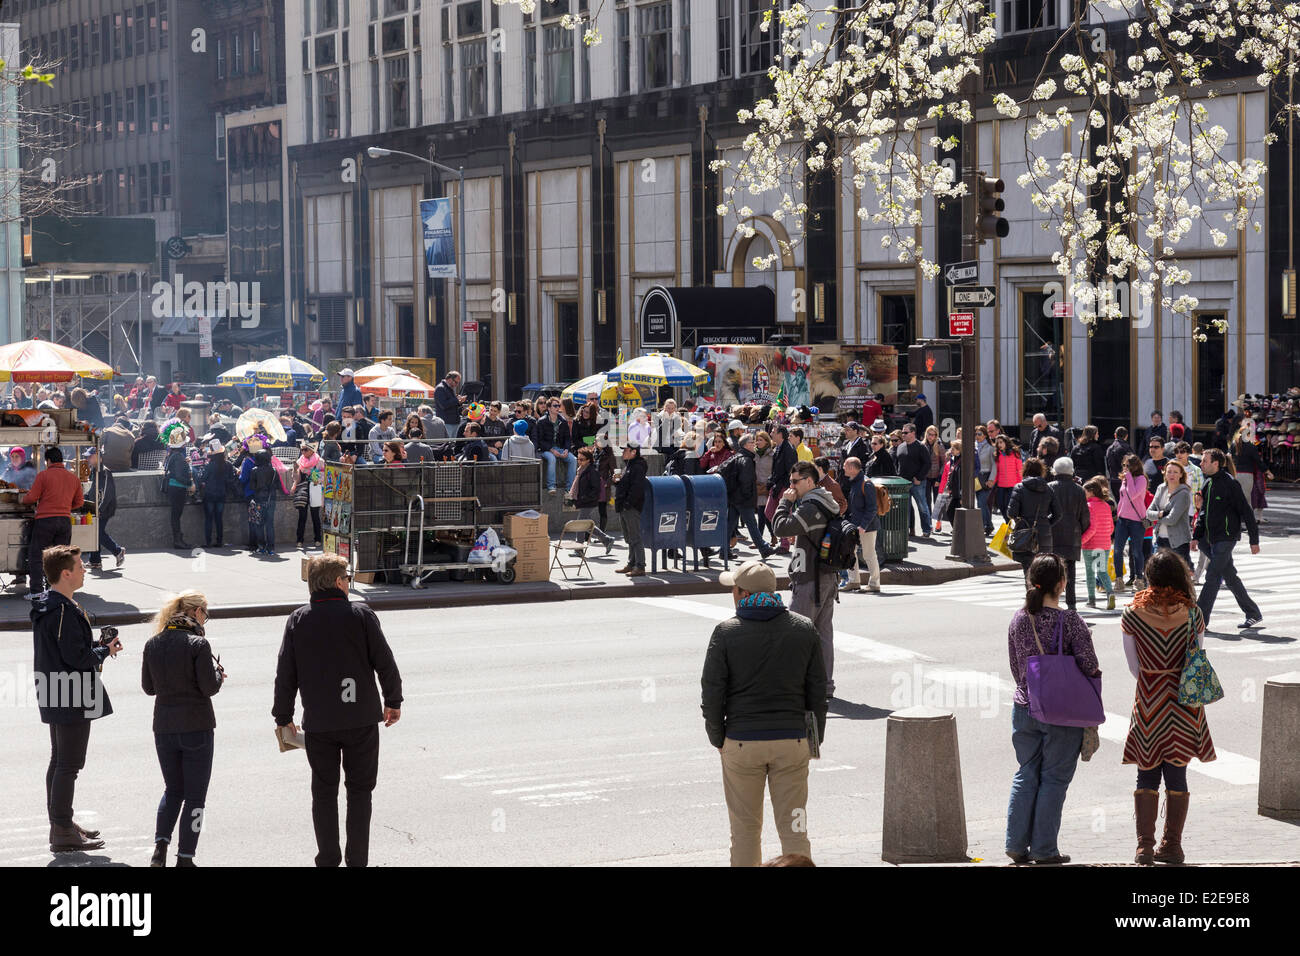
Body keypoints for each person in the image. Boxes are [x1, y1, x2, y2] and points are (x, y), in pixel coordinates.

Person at [274, 554, 403, 867]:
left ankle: (328, 859)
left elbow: (285, 673)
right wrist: (393, 701)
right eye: (346, 578)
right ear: (337, 582)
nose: (348, 582)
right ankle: (357, 860)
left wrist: (283, 717)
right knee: (360, 792)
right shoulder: (361, 615)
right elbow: (384, 661)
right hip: (361, 720)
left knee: (323, 792)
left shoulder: (298, 619)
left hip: (319, 723)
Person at [701, 559, 828, 867]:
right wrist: (812, 740)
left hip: (742, 742)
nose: (732, 592)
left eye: (734, 588)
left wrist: (719, 738)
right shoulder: (803, 629)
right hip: (792, 741)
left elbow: (712, 694)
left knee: (744, 832)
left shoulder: (726, 632)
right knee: (795, 828)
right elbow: (818, 693)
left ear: (743, 594)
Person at [1004, 553, 1100, 865]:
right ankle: (1044, 849)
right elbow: (1090, 665)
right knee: (1054, 779)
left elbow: (1016, 666)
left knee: (1026, 773)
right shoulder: (1070, 621)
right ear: (1062, 584)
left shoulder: (1019, 619)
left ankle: (1016, 844)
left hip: (1025, 704)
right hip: (1062, 711)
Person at [1120, 549, 1214, 865]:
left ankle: (1144, 847)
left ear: (1151, 577)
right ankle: (1172, 846)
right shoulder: (1193, 614)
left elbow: (1133, 668)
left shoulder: (1132, 614)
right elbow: (1197, 658)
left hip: (1149, 701)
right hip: (1184, 703)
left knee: (1146, 774)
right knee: (1177, 774)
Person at [33, 544, 123, 853]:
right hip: (70, 691)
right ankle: (61, 829)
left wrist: (96, 647)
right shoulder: (61, 610)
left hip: (55, 687)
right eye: (80, 566)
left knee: (59, 760)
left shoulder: (50, 604)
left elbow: (65, 651)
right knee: (69, 764)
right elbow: (75, 656)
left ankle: (62, 824)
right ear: (66, 574)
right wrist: (104, 650)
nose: (85, 569)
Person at [141, 589, 223, 867]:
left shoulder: (153, 643)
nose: (205, 619)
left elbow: (148, 687)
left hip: (163, 728)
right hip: (197, 727)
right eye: (206, 614)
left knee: (173, 790)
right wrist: (218, 676)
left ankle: (159, 848)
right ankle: (185, 858)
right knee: (195, 798)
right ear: (197, 612)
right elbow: (208, 688)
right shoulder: (198, 644)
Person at [772, 461, 840, 698]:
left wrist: (785, 503)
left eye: (794, 482)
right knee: (823, 634)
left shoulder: (811, 506)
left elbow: (780, 527)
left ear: (809, 482)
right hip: (827, 576)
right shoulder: (826, 501)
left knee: (794, 634)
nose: (791, 486)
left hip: (810, 578)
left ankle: (794, 686)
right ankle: (824, 685)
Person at [1192, 448, 1261, 629]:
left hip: (1226, 537)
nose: (1201, 463)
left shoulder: (1230, 484)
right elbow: (1203, 513)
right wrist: (1196, 536)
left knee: (1212, 576)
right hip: (1209, 539)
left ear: (1216, 463)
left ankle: (1199, 622)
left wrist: (1254, 540)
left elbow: (1246, 511)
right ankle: (1253, 613)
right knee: (1229, 576)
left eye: (1205, 461)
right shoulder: (1207, 483)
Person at [23, 448, 84, 595]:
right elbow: (79, 502)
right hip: (64, 521)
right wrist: (66, 507)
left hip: (45, 521)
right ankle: (57, 591)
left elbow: (31, 498)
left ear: (48, 461)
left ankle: (37, 591)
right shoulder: (73, 478)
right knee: (61, 558)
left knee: (37, 556)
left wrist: (24, 499)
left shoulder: (43, 476)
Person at [1045, 457, 1089, 610]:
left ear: (1054, 470)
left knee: (1051, 570)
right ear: (1071, 471)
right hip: (1072, 534)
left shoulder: (1049, 487)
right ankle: (1072, 605)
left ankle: (1051, 603)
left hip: (1052, 535)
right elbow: (1085, 516)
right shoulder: (1079, 490)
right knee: (1070, 572)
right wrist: (1081, 531)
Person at [721, 433, 772, 560]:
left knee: (729, 525)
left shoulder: (737, 457)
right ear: (744, 445)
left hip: (734, 498)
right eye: (751, 442)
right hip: (743, 499)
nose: (754, 444)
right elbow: (746, 481)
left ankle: (724, 551)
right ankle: (764, 548)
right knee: (751, 525)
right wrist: (747, 496)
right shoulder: (747, 460)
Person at [1006, 457, 1058, 574]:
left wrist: (1020, 520)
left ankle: (1031, 591)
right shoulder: (1048, 489)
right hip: (1044, 533)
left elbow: (1011, 513)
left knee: (1028, 569)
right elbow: (1058, 514)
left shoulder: (1019, 488)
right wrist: (1046, 523)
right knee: (1044, 569)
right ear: (1041, 471)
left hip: (1025, 533)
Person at [841, 456, 881, 593]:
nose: (843, 468)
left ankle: (874, 583)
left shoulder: (866, 483)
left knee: (869, 554)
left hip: (866, 527)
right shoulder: (856, 482)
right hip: (856, 525)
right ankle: (854, 581)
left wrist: (863, 526)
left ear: (852, 468)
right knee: (850, 552)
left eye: (845, 466)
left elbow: (872, 508)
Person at [83, 447, 126, 571]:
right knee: (95, 533)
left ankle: (117, 551)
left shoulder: (105, 472)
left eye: (90, 456)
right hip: (95, 507)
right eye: (87, 457)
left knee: (98, 532)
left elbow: (108, 493)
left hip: (104, 508)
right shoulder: (93, 471)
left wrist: (100, 509)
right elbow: (91, 489)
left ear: (99, 457)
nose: (88, 459)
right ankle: (95, 561)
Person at [1147, 460, 1193, 568]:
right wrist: (1161, 514)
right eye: (1169, 471)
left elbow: (1172, 519)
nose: (1172, 475)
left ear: (1181, 474)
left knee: (1177, 577)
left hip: (1178, 542)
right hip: (1160, 538)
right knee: (1158, 573)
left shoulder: (1184, 493)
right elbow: (1148, 513)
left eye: (1175, 472)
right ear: (1164, 473)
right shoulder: (1160, 488)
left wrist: (1157, 517)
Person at [1081, 477, 1116, 610]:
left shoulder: (1089, 506)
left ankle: (1091, 600)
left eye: (1085, 491)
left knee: (1090, 572)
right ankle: (1110, 593)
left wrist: (1081, 540)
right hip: (1104, 544)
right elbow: (1111, 527)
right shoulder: (1106, 505)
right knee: (1102, 571)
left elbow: (1092, 527)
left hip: (1090, 544)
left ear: (1091, 492)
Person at [613, 442, 648, 576]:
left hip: (631, 507)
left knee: (635, 537)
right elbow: (627, 486)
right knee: (629, 537)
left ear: (634, 452)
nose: (623, 453)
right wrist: (618, 482)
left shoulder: (637, 466)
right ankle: (631, 563)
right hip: (624, 506)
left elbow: (636, 489)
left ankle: (640, 566)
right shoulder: (630, 465)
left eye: (625, 450)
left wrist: (628, 504)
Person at [571, 447, 615, 553]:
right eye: (578, 459)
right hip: (584, 501)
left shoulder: (592, 472)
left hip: (588, 502)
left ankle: (579, 549)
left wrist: (584, 498)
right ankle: (607, 539)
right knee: (587, 525)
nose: (579, 461)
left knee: (580, 524)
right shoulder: (581, 470)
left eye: (582, 459)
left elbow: (596, 490)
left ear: (588, 460)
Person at [1116, 453, 1150, 590]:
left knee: (1136, 551)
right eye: (1124, 465)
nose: (1125, 468)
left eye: (1128, 465)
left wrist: (1128, 477)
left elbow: (1132, 493)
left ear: (1135, 466)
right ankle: (1119, 579)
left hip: (1136, 521)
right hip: (1123, 520)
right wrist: (1118, 514)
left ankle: (1139, 579)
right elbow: (1122, 498)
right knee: (1118, 550)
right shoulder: (1125, 479)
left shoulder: (1141, 479)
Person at [893, 423, 932, 537]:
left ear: (913, 433)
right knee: (905, 509)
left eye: (905, 432)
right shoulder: (900, 446)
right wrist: (898, 478)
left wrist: (919, 478)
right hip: (903, 483)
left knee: (922, 506)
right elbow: (897, 464)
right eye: (902, 432)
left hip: (917, 483)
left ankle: (926, 529)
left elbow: (927, 463)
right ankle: (905, 530)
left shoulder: (920, 446)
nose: (903, 434)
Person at [161, 428, 194, 551]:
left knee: (175, 515)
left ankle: (178, 540)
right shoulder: (178, 456)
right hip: (178, 489)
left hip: (172, 488)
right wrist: (190, 483)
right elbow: (179, 476)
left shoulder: (173, 455)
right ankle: (178, 541)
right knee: (176, 515)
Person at [535, 398, 576, 494]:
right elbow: (540, 441)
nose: (558, 408)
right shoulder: (541, 421)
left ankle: (569, 488)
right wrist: (551, 450)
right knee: (552, 458)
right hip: (546, 449)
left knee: (573, 460)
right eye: (555, 406)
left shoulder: (563, 421)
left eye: (558, 406)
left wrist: (566, 449)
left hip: (560, 448)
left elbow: (567, 438)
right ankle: (551, 486)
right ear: (549, 408)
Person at [248, 442, 280, 556]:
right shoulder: (274, 470)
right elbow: (278, 485)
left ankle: (261, 547)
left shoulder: (254, 470)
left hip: (259, 500)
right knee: (269, 524)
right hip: (271, 500)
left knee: (259, 525)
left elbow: (252, 487)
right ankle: (271, 548)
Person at [1231, 427, 1267, 524]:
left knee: (1235, 497)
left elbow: (1230, 459)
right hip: (1247, 475)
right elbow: (1258, 462)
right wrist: (1267, 471)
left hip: (1235, 474)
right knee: (1247, 499)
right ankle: (1249, 521)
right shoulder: (1251, 447)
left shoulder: (1234, 445)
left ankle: (1236, 520)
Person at [293, 441, 324, 549]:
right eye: (302, 449)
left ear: (312, 450)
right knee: (302, 516)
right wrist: (295, 472)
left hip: (315, 488)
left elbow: (322, 476)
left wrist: (315, 477)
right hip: (303, 490)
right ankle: (299, 540)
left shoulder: (319, 461)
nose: (303, 452)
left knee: (315, 516)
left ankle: (318, 539)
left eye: (306, 449)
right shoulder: (299, 461)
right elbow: (296, 477)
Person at [973, 425, 996, 535]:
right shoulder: (973, 446)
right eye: (976, 434)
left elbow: (994, 465)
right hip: (975, 478)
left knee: (981, 502)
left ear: (985, 435)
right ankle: (989, 525)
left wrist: (991, 479)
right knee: (981, 503)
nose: (977, 436)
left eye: (979, 434)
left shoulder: (991, 448)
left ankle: (982, 526)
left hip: (985, 476)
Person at [923, 425, 945, 509]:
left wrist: (939, 478)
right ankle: (929, 520)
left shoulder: (939, 445)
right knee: (926, 500)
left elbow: (944, 463)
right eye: (929, 434)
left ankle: (937, 521)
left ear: (936, 436)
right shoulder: (922, 445)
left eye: (933, 435)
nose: (931, 436)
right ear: (926, 434)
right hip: (926, 477)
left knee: (937, 501)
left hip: (936, 477)